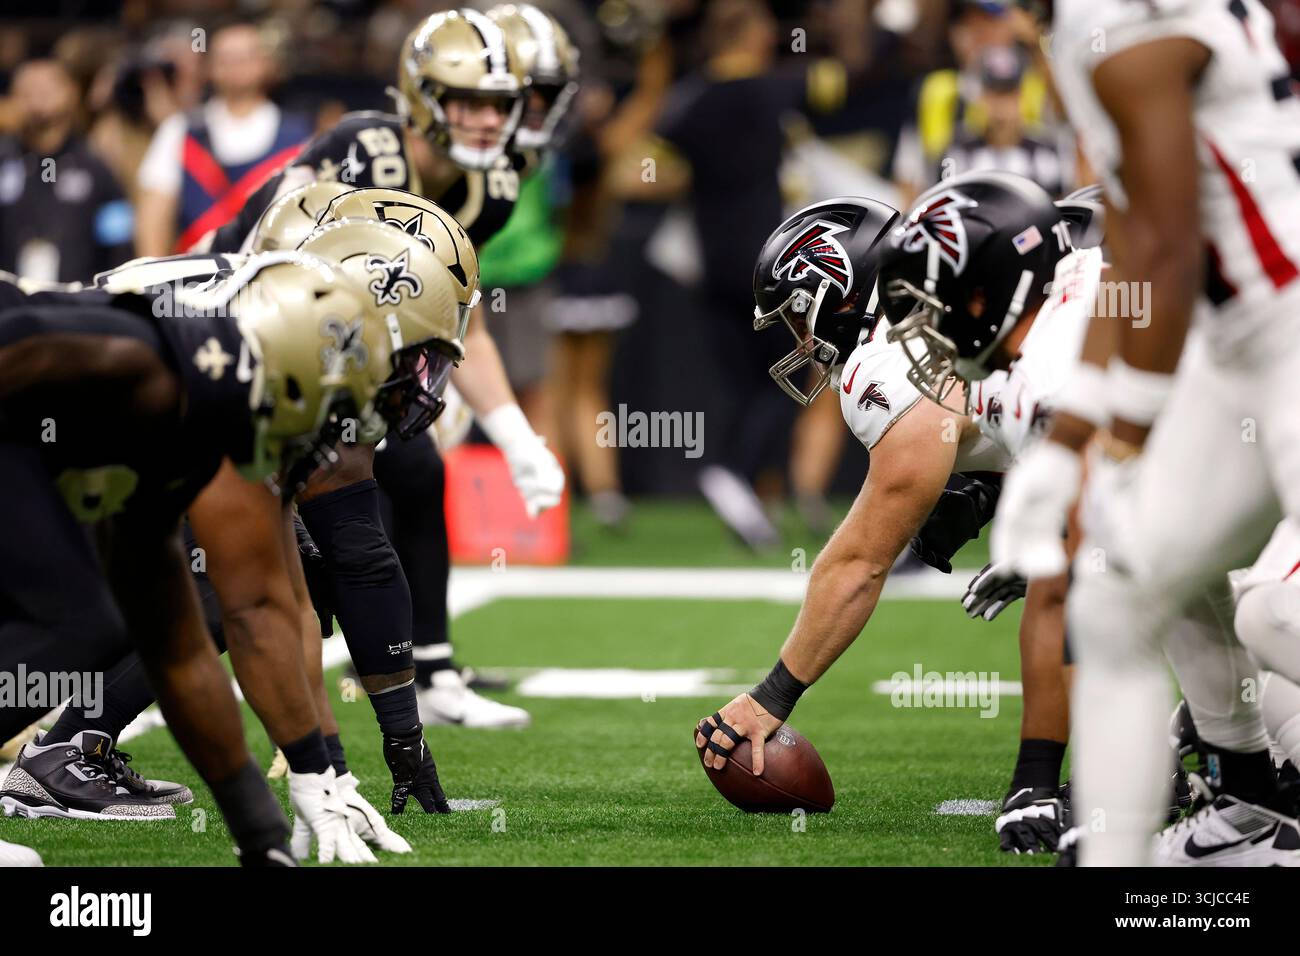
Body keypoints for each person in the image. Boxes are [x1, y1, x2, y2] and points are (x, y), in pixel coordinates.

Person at [208, 8, 565, 733]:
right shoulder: (366, 148)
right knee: (241, 552)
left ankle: (429, 672)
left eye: (500, 103)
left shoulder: (491, 186)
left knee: (412, 473)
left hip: (338, 347)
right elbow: (285, 268)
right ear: (422, 97)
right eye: (467, 101)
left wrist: (515, 435)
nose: (489, 120)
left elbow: (461, 311)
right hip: (241, 323)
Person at [0, 252, 395, 863]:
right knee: (75, 616)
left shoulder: (182, 418)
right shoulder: (141, 360)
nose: (329, 438)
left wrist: (261, 835)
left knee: (140, 610)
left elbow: (180, 647)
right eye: (332, 409)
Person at [134, 21, 309, 257]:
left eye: (246, 56)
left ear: (267, 64)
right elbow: (153, 217)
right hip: (195, 280)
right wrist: (152, 283)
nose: (236, 66)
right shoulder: (179, 131)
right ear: (210, 68)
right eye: (226, 58)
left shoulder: (299, 137)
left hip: (272, 280)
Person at [0, 59, 132, 283]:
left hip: (77, 303)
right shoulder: (4, 162)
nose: (38, 96)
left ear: (72, 92)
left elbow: (119, 244)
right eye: (28, 89)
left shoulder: (97, 169)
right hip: (9, 304)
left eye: (47, 87)